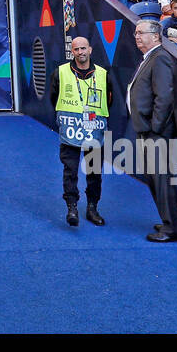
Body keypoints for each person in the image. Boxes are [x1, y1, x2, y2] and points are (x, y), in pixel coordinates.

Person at [127, 19, 177, 242]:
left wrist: (155, 128)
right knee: (158, 179)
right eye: (135, 33)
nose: (136, 37)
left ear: (155, 36)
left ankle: (172, 229)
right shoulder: (150, 58)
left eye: (140, 33)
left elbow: (164, 96)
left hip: (156, 131)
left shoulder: (160, 57)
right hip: (149, 129)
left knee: (161, 179)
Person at [51, 36, 107, 227]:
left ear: (90, 50)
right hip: (71, 131)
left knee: (94, 172)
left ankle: (92, 207)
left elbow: (110, 100)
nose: (81, 52)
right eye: (76, 49)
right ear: (72, 52)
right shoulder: (60, 72)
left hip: (94, 131)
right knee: (70, 171)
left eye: (84, 48)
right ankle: (72, 207)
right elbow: (53, 98)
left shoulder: (103, 74)